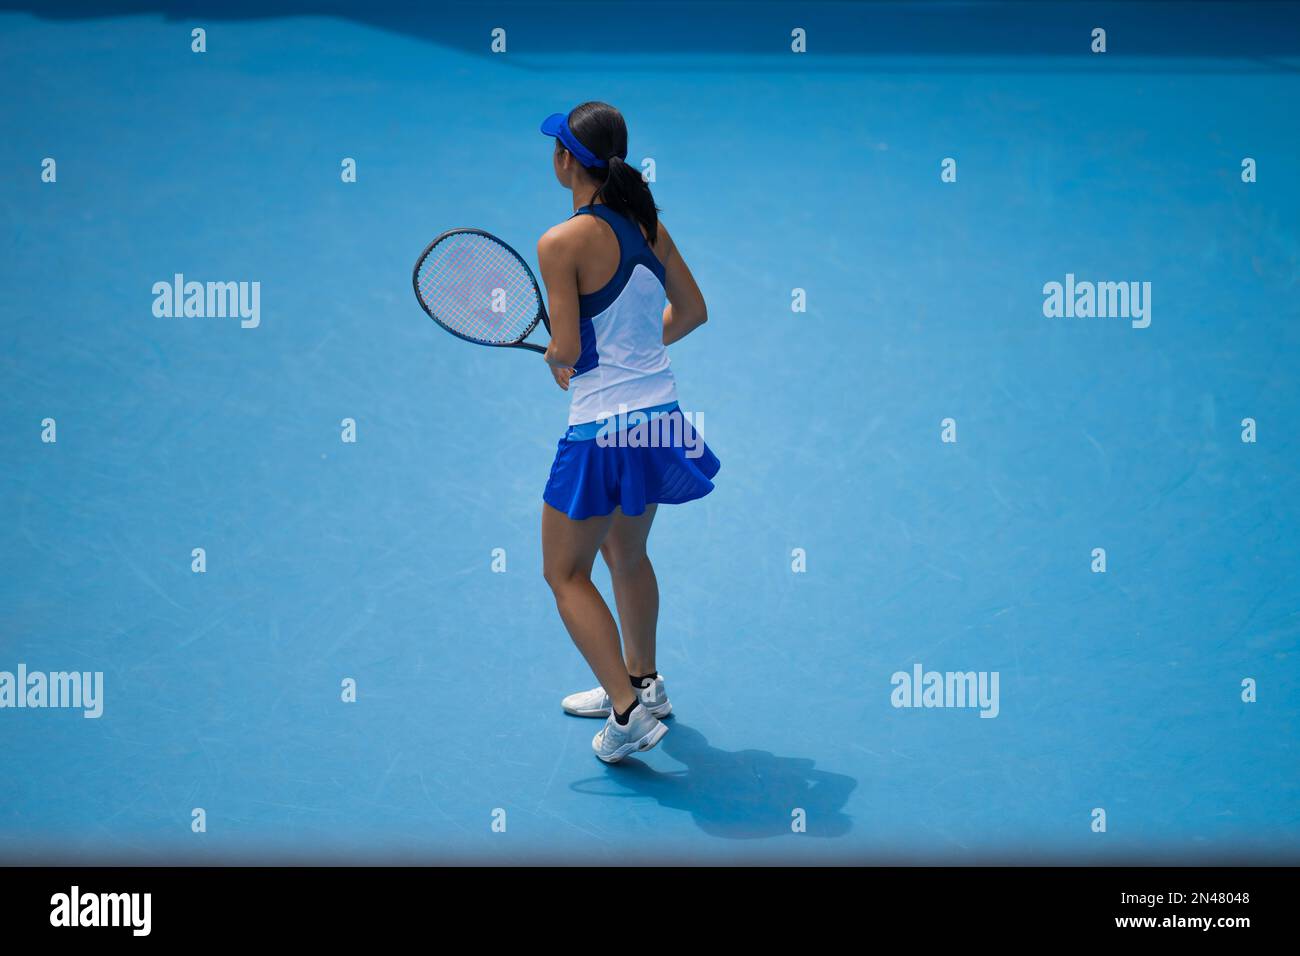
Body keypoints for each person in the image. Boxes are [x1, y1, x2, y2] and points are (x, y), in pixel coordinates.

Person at [536, 102, 718, 763]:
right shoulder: (649, 224)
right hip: (661, 421)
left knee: (564, 573)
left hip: (601, 435)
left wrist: (565, 357)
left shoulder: (559, 243)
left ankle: (627, 711)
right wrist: (629, 346)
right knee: (625, 554)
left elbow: (562, 348)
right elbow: (692, 313)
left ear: (565, 161)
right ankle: (646, 681)